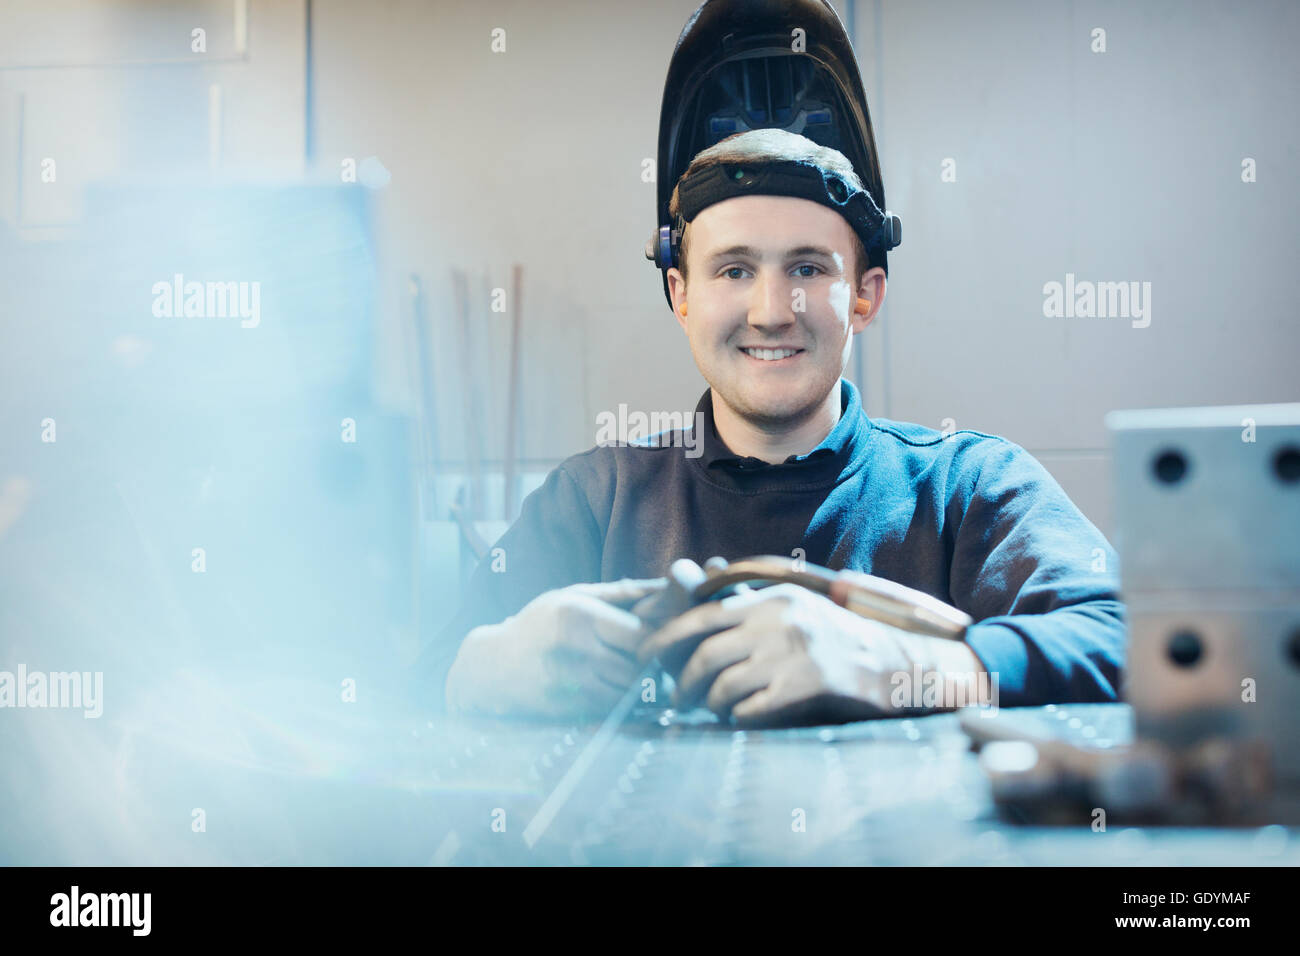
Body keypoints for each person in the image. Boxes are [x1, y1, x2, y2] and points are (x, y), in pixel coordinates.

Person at [416, 127, 1125, 726]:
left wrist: (908, 666)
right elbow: (407, 695)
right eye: (732, 270)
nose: (771, 311)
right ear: (680, 294)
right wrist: (481, 671)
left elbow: (1135, 644)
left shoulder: (969, 487)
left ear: (866, 296)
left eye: (808, 268)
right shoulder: (592, 501)